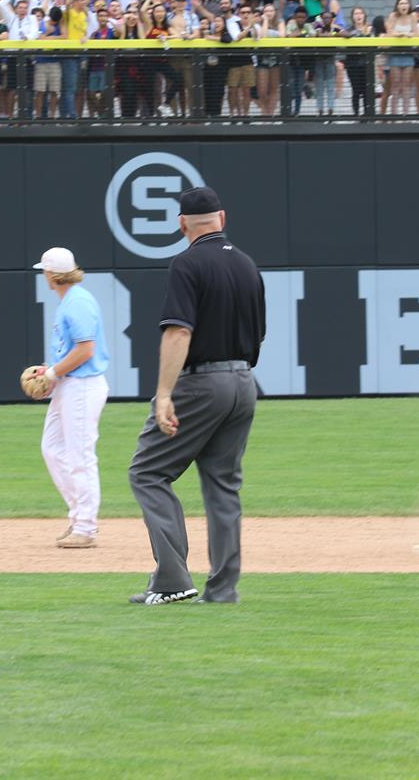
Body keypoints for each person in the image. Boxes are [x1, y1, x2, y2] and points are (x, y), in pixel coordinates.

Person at [128, 186, 266, 605]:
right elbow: (259, 334)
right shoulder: (246, 265)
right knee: (223, 486)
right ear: (221, 219)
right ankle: (223, 590)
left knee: (147, 472)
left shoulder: (187, 264)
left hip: (202, 383)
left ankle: (172, 580)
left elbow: (178, 331)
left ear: (182, 224)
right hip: (244, 381)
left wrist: (164, 394)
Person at [29, 247, 110, 549]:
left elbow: (85, 350)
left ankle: (86, 527)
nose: (44, 277)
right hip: (70, 383)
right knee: (52, 448)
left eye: (44, 272)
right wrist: (51, 370)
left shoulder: (77, 302)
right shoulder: (71, 301)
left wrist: (52, 375)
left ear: (52, 274)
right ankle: (79, 517)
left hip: (83, 385)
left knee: (80, 456)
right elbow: (72, 350)